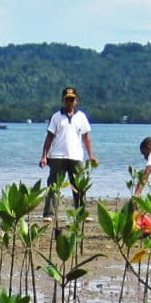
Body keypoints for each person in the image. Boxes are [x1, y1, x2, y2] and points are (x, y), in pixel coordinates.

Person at [38, 86, 96, 217]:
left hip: (76, 156)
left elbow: (86, 138)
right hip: (57, 156)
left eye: (72, 99)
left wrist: (91, 156)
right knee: (53, 186)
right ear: (63, 100)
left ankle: (80, 213)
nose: (69, 102)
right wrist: (44, 156)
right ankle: (49, 214)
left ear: (76, 101)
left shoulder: (81, 117)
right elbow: (49, 138)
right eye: (67, 99)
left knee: (79, 186)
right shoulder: (56, 117)